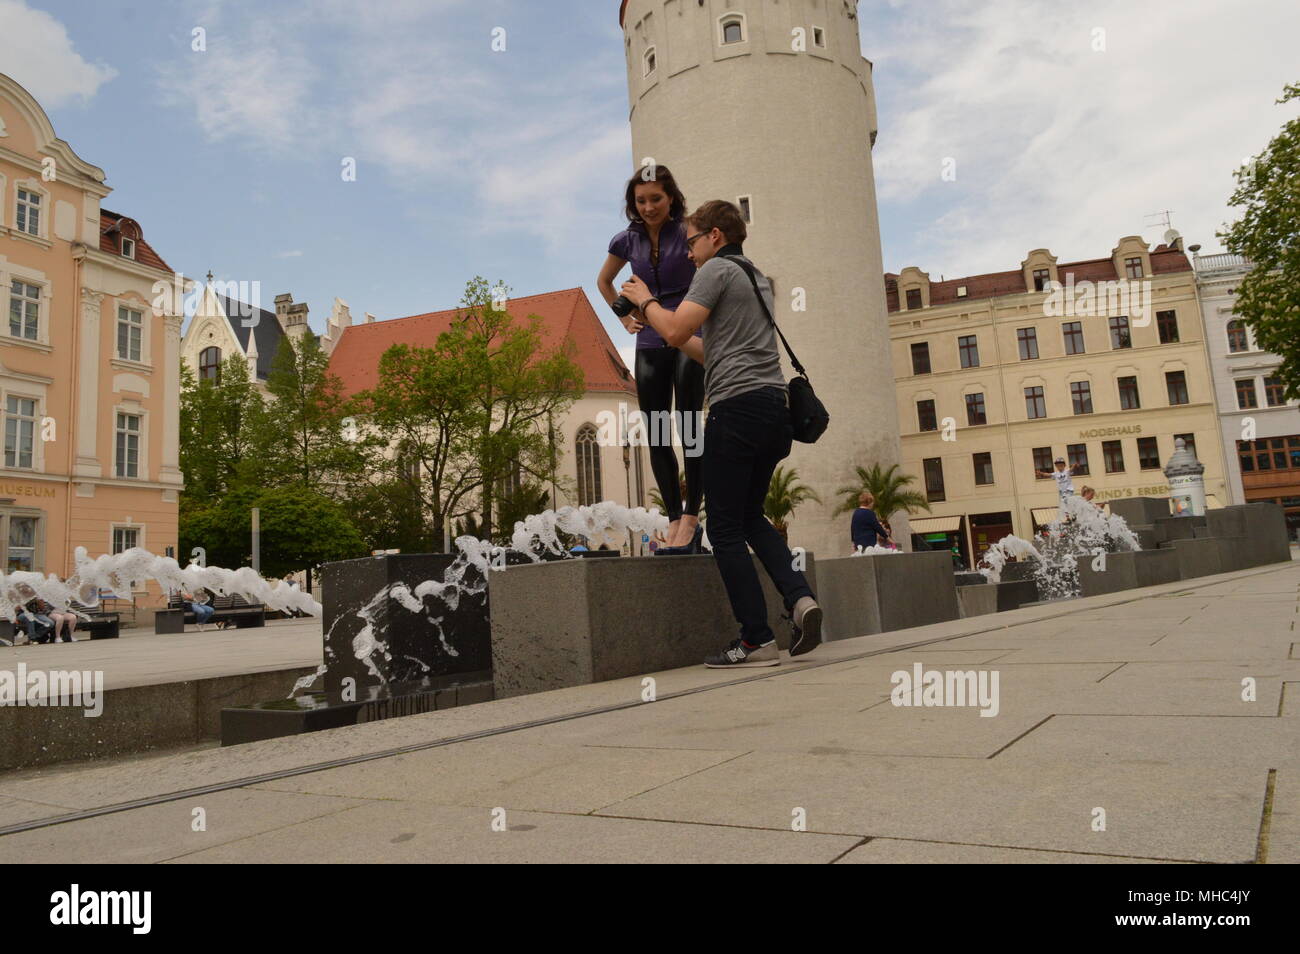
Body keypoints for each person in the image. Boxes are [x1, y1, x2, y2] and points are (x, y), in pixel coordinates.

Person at [621, 199, 823, 668]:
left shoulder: (716, 271)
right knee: (751, 517)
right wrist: (650, 316)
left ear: (715, 235)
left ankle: (755, 638)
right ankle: (801, 600)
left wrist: (646, 300)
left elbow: (672, 334)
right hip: (775, 411)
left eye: (691, 241)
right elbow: (707, 351)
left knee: (725, 529)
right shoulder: (756, 279)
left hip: (737, 410)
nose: (688, 252)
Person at [598, 165, 706, 553]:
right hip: (649, 339)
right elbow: (604, 282)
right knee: (658, 431)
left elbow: (708, 270)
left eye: (655, 199)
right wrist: (625, 317)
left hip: (687, 328)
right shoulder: (626, 240)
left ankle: (693, 514)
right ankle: (674, 517)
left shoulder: (688, 230)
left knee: (689, 423)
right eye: (640, 200)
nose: (648, 207)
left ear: (671, 197)